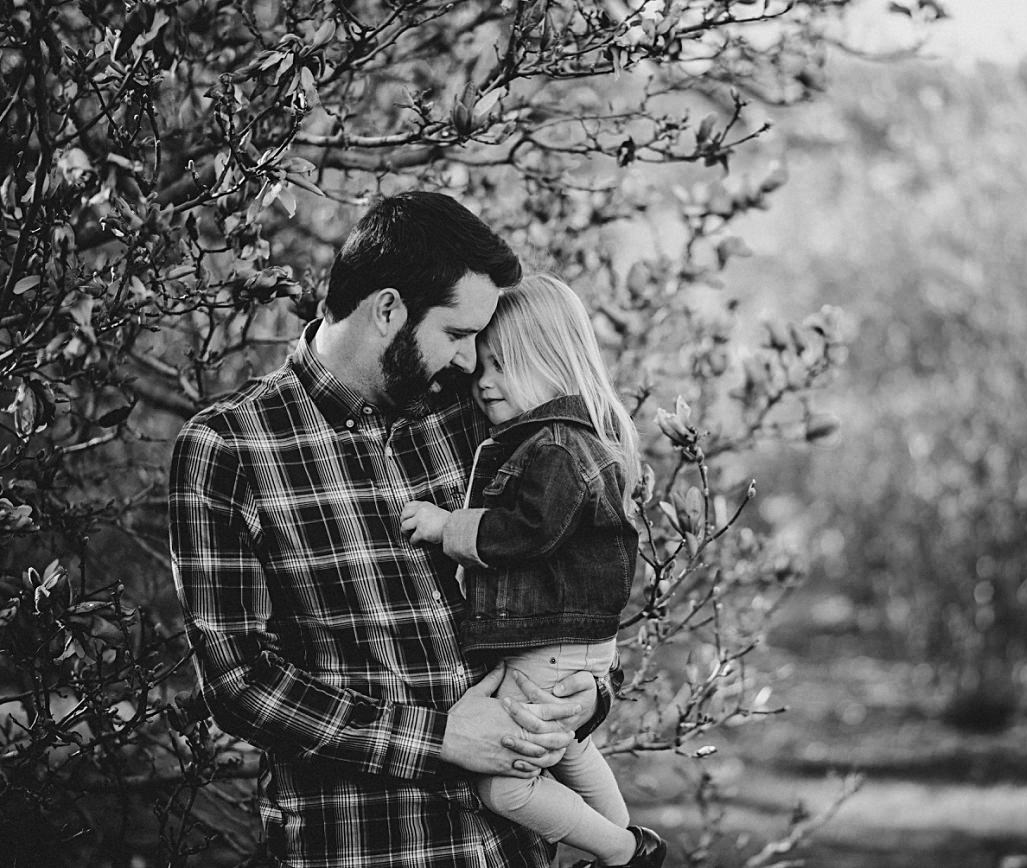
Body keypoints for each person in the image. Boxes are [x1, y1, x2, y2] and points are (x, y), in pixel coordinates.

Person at [169, 192, 611, 868]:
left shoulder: (474, 418)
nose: (470, 363)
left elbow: (570, 555)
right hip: (370, 846)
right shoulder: (230, 448)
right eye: (458, 335)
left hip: (512, 847)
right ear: (387, 310)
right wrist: (437, 739)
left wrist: (584, 693)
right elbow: (241, 685)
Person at [399, 275, 665, 868]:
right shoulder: (565, 441)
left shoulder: (555, 447)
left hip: (550, 653)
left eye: (502, 365)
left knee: (507, 787)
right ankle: (621, 841)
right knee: (567, 750)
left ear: (551, 363)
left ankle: (622, 850)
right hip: (570, 651)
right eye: (480, 367)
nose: (483, 382)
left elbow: (527, 530)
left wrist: (449, 527)